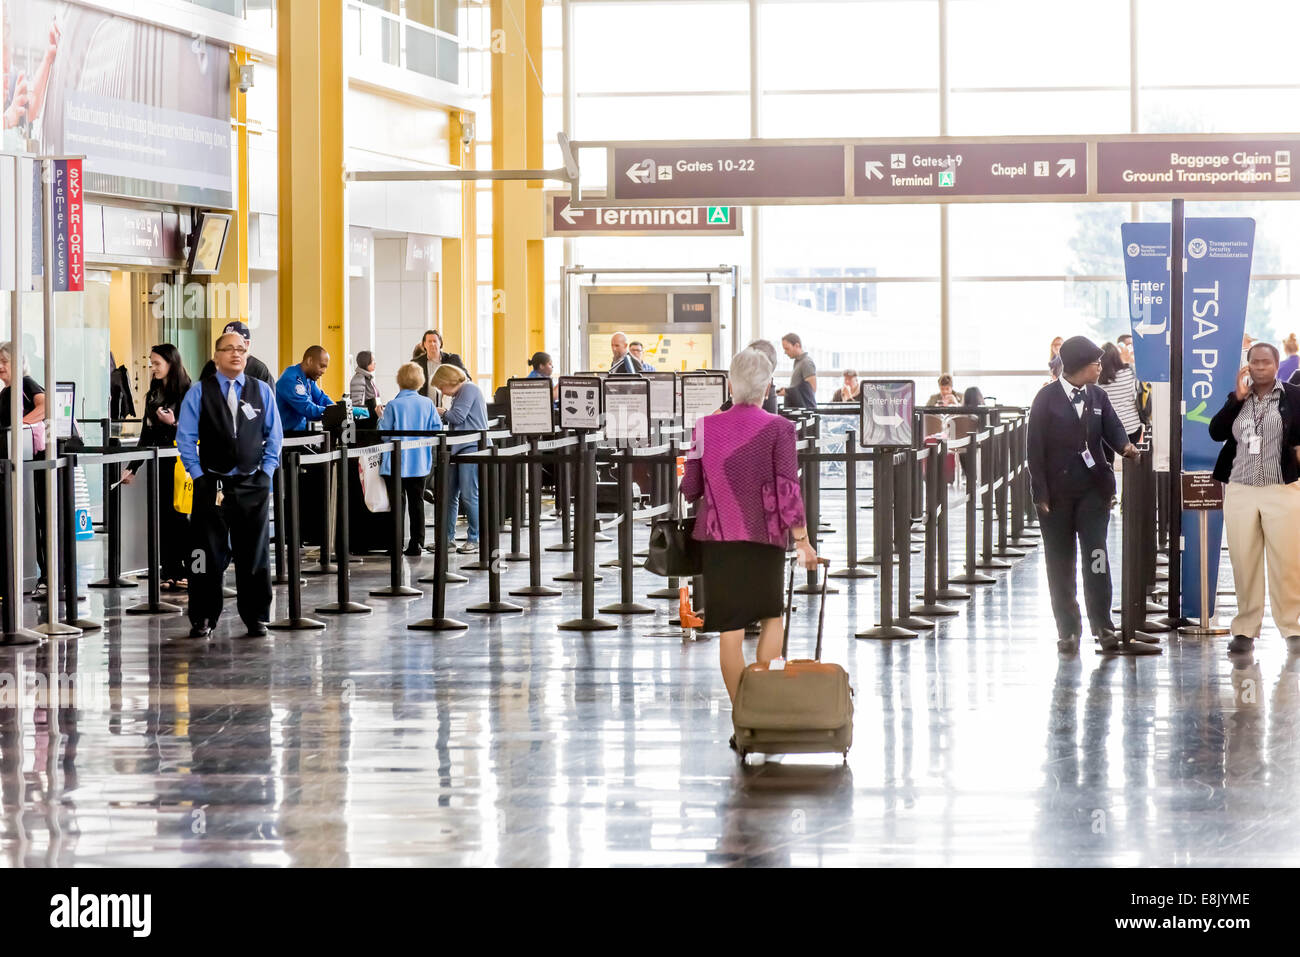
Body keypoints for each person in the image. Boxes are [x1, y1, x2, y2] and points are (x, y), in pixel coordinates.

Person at [681, 347, 818, 725]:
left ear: (730, 384)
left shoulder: (703, 427)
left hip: (719, 539)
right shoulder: (780, 428)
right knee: (772, 617)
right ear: (769, 386)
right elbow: (788, 488)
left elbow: (689, 488)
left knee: (730, 629)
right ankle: (767, 706)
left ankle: (742, 713)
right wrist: (803, 541)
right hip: (766, 538)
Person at [1027, 335, 1155, 656]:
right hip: (1055, 498)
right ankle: (1068, 630)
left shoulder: (1098, 396)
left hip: (1093, 494)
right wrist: (1040, 492)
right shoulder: (1045, 398)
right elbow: (1035, 449)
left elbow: (1113, 430)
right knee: (1060, 563)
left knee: (1096, 557)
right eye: (1095, 362)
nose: (1100, 366)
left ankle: (1103, 625)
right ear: (1078, 366)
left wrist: (1126, 448)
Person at [176, 332, 283, 638]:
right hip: (212, 482)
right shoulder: (199, 392)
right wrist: (198, 475)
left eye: (241, 349)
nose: (236, 354)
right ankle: (203, 617)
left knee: (255, 553)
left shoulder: (261, 390)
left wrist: (267, 473)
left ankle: (257, 617)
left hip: (252, 483)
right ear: (216, 356)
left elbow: (274, 435)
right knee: (205, 554)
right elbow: (185, 438)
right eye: (229, 349)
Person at [1208, 342, 1300, 656]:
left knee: (1287, 561)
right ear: (1247, 366)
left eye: (1266, 362)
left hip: (1281, 488)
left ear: (1277, 365)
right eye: (1254, 363)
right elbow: (1216, 432)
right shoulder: (1236, 399)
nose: (1260, 367)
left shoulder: (1294, 396)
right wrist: (1236, 398)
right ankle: (1245, 629)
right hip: (1240, 489)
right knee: (1243, 560)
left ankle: (1291, 627)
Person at [122, 344, 193, 590]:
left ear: (171, 363)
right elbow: (146, 433)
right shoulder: (153, 391)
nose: (153, 368)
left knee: (179, 517)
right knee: (161, 517)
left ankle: (186, 570)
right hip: (158, 460)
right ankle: (169, 570)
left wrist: (174, 423)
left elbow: (195, 429)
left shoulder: (187, 390)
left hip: (179, 461)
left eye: (157, 363)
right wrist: (133, 467)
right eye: (151, 363)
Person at [378, 363, 442, 555]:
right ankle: (417, 543)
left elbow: (384, 435)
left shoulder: (393, 405)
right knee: (417, 503)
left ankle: (395, 544)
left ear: (399, 381)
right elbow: (436, 429)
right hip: (419, 462)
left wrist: (380, 416)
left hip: (395, 464)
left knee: (397, 504)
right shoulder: (427, 404)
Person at [0, 340, 47, 590]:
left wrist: (19, 427)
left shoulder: (25, 383)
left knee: (39, 517)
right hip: (15, 463)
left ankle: (47, 576)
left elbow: (45, 405)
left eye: (4, 361)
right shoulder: (7, 391)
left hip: (31, 462)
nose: (0, 366)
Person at [431, 364, 488, 553]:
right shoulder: (462, 392)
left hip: (470, 448)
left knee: (469, 495)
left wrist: (442, 413)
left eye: (441, 387)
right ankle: (447, 539)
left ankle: (475, 538)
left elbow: (458, 417)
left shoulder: (468, 389)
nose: (442, 391)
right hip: (459, 448)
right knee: (450, 495)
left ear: (448, 381)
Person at [1097, 341, 1144, 463]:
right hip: (1132, 424)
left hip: (1108, 428)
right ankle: (1132, 480)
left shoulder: (1098, 379)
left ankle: (1109, 480)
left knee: (1107, 461)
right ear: (1117, 357)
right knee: (1131, 460)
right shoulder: (1129, 372)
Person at [199, 321, 275, 387]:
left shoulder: (259, 370)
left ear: (247, 344)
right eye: (227, 344)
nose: (234, 352)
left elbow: (269, 400)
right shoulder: (211, 366)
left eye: (237, 345)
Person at [275, 346, 332, 433]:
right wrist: (334, 413)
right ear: (310, 361)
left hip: (300, 433)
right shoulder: (291, 378)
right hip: (286, 437)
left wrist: (339, 410)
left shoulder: (309, 379)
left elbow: (322, 399)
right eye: (321, 366)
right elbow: (307, 408)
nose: (324, 371)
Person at [414, 330, 470, 400]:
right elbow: (411, 387)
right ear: (424, 344)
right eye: (429, 341)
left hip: (449, 405)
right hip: (425, 406)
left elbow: (467, 380)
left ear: (440, 343)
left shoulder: (453, 359)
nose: (432, 344)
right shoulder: (416, 363)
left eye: (435, 341)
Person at [777, 333, 817, 408]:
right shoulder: (798, 362)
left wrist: (788, 392)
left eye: (787, 349)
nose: (785, 352)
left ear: (797, 346)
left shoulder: (807, 363)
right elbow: (799, 387)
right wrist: (787, 390)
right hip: (797, 410)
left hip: (805, 412)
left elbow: (811, 390)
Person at [349, 350, 382, 416]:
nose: (375, 363)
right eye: (373, 360)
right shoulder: (359, 379)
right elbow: (356, 405)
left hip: (372, 417)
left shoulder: (368, 378)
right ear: (366, 362)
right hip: (366, 421)